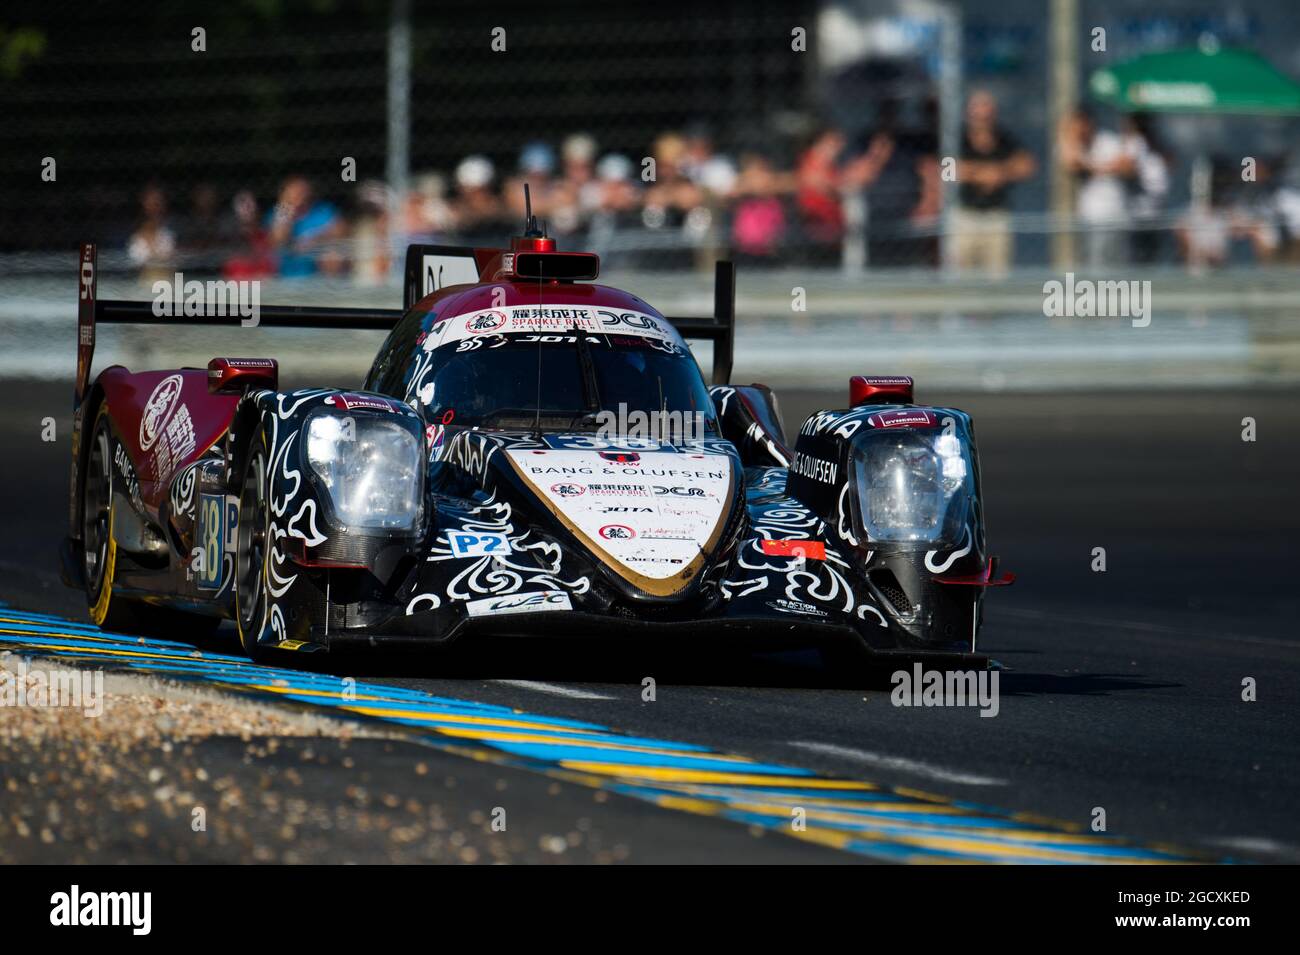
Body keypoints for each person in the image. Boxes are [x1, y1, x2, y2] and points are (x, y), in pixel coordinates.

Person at [953, 90, 1036, 276]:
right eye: (978, 113)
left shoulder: (1005, 139)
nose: (982, 118)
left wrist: (1001, 173)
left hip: (996, 216)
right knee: (962, 275)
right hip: (966, 216)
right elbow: (946, 170)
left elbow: (1027, 166)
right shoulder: (959, 139)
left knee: (997, 275)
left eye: (987, 113)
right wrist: (981, 174)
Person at [1059, 108, 1136, 268]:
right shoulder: (1073, 145)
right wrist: (1105, 167)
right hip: (1091, 218)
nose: (1079, 131)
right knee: (1095, 266)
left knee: (1120, 266)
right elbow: (1073, 165)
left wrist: (1095, 167)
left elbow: (1127, 166)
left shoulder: (1108, 141)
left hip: (1117, 214)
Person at [266, 176, 345, 277]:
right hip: (286, 271)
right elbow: (278, 240)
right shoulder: (278, 214)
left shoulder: (322, 210)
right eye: (294, 191)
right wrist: (286, 210)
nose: (299, 195)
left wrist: (313, 240)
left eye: (302, 191)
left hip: (318, 268)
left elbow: (340, 230)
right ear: (284, 194)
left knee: (333, 253)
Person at [127, 183, 177, 284]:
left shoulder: (171, 232)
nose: (155, 205)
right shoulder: (135, 237)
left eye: (158, 200)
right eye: (150, 201)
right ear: (142, 204)